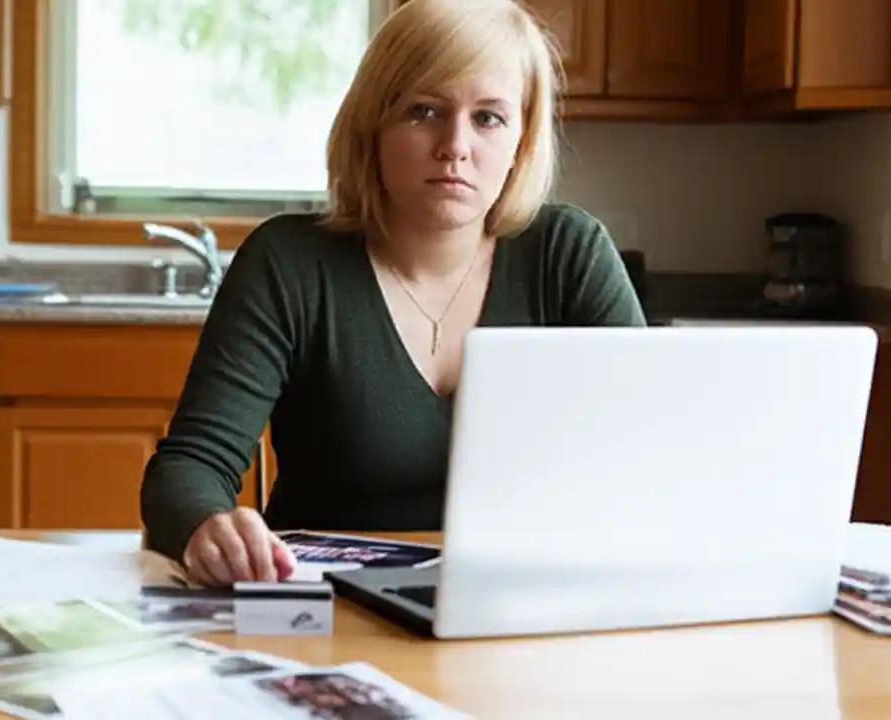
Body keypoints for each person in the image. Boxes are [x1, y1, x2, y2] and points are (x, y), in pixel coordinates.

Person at [141, 0, 646, 587]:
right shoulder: (290, 263)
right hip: (326, 608)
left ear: (521, 142)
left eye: (488, 118)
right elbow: (189, 466)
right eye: (424, 110)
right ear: (372, 125)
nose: (455, 144)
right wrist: (210, 526)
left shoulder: (568, 255)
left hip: (521, 602)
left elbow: (649, 453)